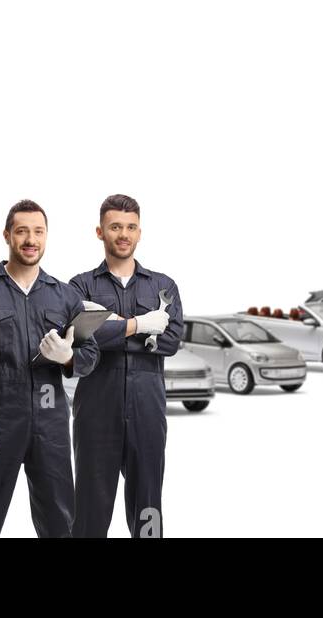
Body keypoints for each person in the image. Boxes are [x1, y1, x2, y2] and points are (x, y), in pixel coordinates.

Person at [0, 200, 100, 538]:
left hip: (51, 422)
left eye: (38, 232)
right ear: (7, 235)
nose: (30, 239)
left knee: (58, 519)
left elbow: (90, 353)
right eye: (22, 231)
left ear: (46, 236)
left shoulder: (64, 296)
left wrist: (68, 357)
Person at [68, 194, 181, 538]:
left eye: (131, 227)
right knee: (89, 507)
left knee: (148, 506)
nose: (123, 234)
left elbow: (172, 340)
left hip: (147, 409)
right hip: (95, 412)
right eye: (115, 226)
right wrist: (141, 326)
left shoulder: (163, 285)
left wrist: (113, 325)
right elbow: (82, 336)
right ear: (100, 231)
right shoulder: (80, 285)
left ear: (139, 233)